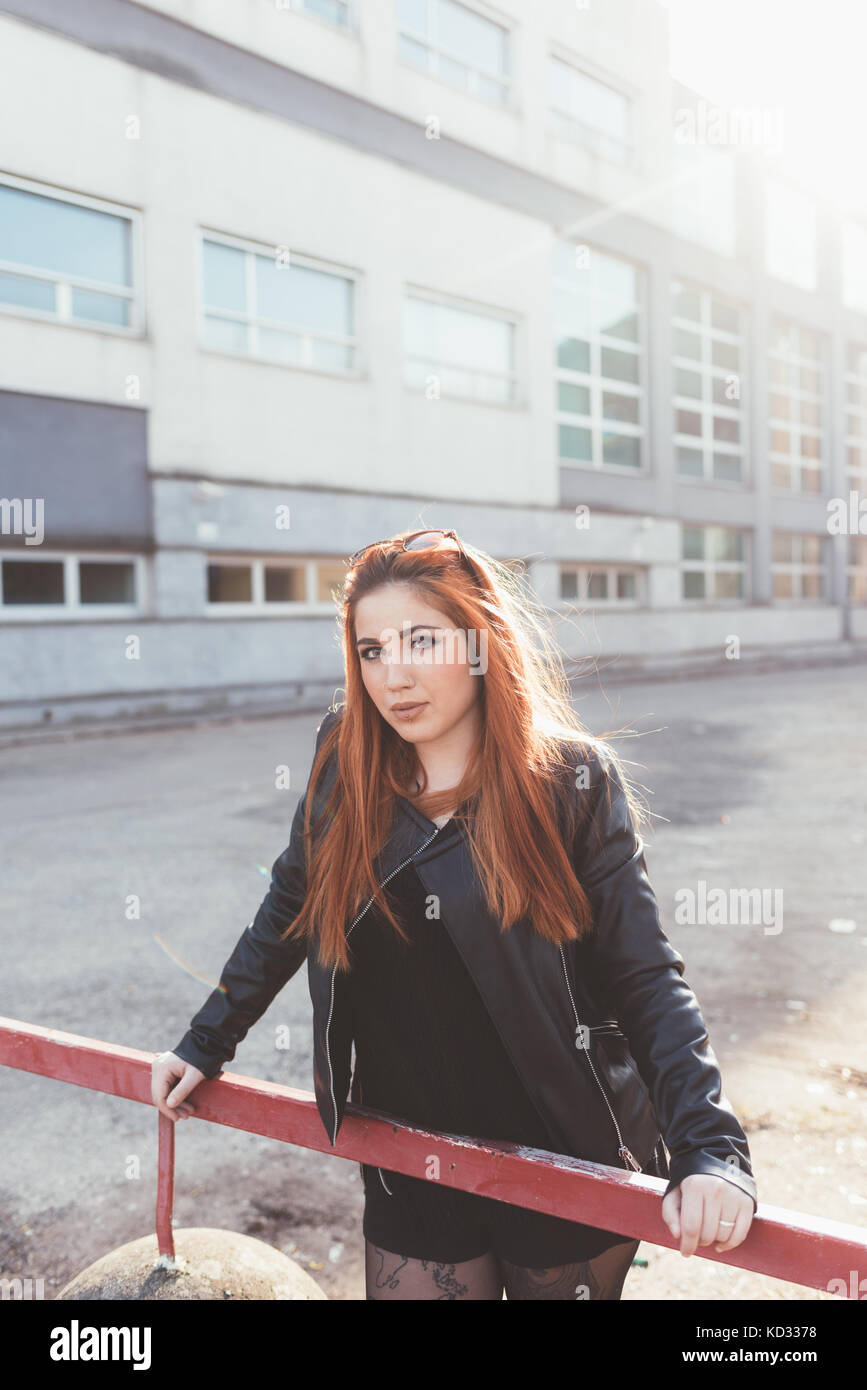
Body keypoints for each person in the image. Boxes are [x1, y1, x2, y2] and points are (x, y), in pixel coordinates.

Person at [152, 528, 757, 1300]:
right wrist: (206, 1041)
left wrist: (710, 1150)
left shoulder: (569, 781)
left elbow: (644, 979)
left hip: (563, 1150)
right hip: (409, 1152)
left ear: (479, 643)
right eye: (371, 650)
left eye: (420, 641)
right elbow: (291, 902)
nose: (392, 675)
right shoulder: (346, 756)